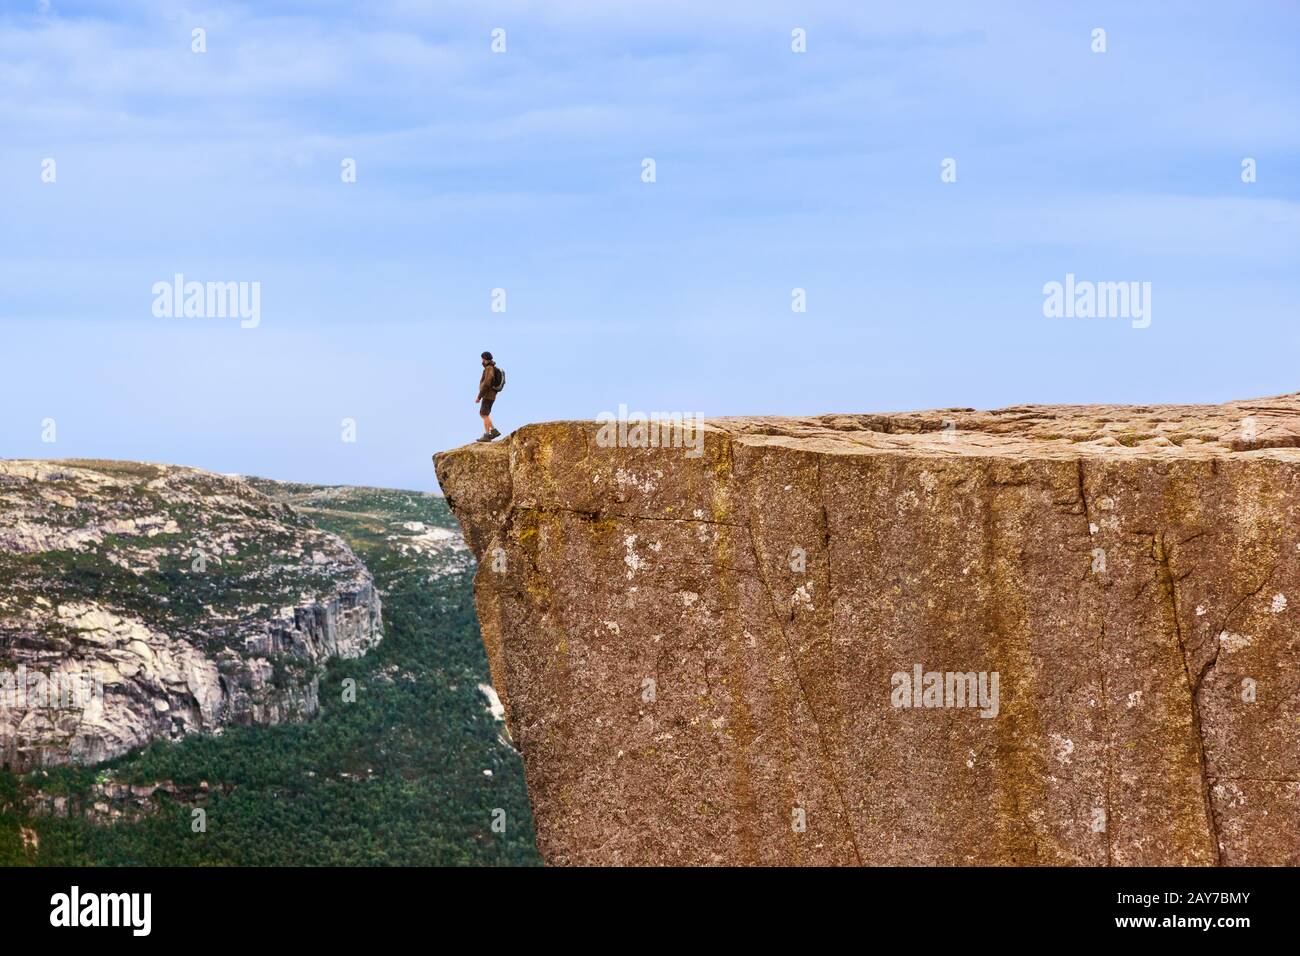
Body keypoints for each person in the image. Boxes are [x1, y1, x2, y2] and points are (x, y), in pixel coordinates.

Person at [475, 351, 502, 442]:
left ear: (485, 359)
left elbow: (487, 383)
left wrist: (479, 396)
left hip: (488, 394)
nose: (482, 361)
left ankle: (491, 432)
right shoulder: (491, 368)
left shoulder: (489, 368)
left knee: (484, 414)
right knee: (484, 414)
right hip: (490, 394)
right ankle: (489, 433)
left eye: (482, 359)